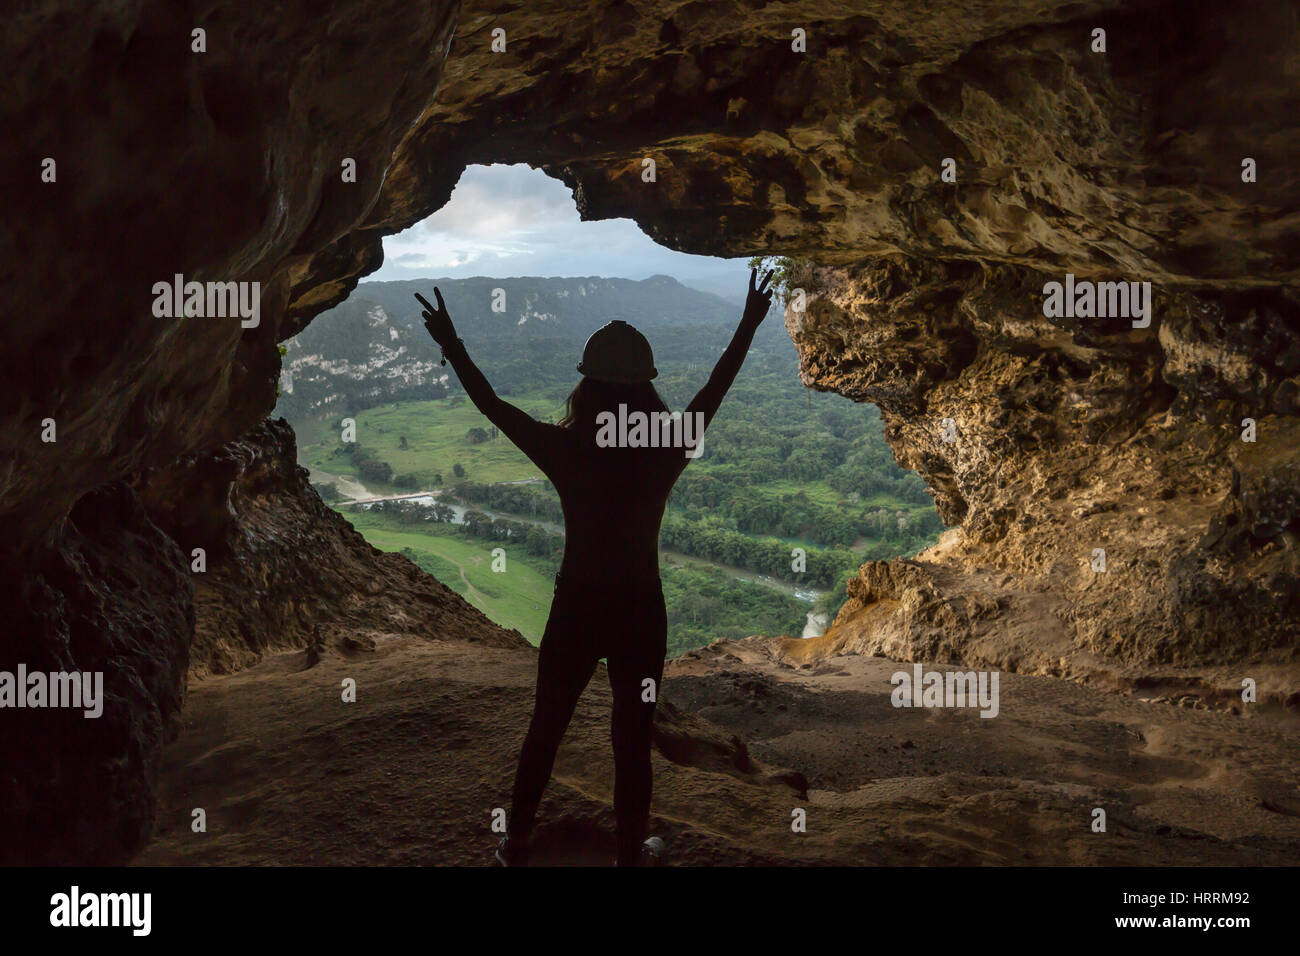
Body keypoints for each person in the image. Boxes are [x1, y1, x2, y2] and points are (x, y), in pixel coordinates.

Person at [416, 268, 775, 866]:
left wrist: (451, 343)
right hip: (640, 609)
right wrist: (748, 322)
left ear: (586, 386)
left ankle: (517, 840)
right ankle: (631, 854)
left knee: (547, 724)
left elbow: (492, 405)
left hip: (576, 604)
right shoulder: (668, 445)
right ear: (645, 388)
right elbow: (716, 387)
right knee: (631, 738)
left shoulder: (566, 447)